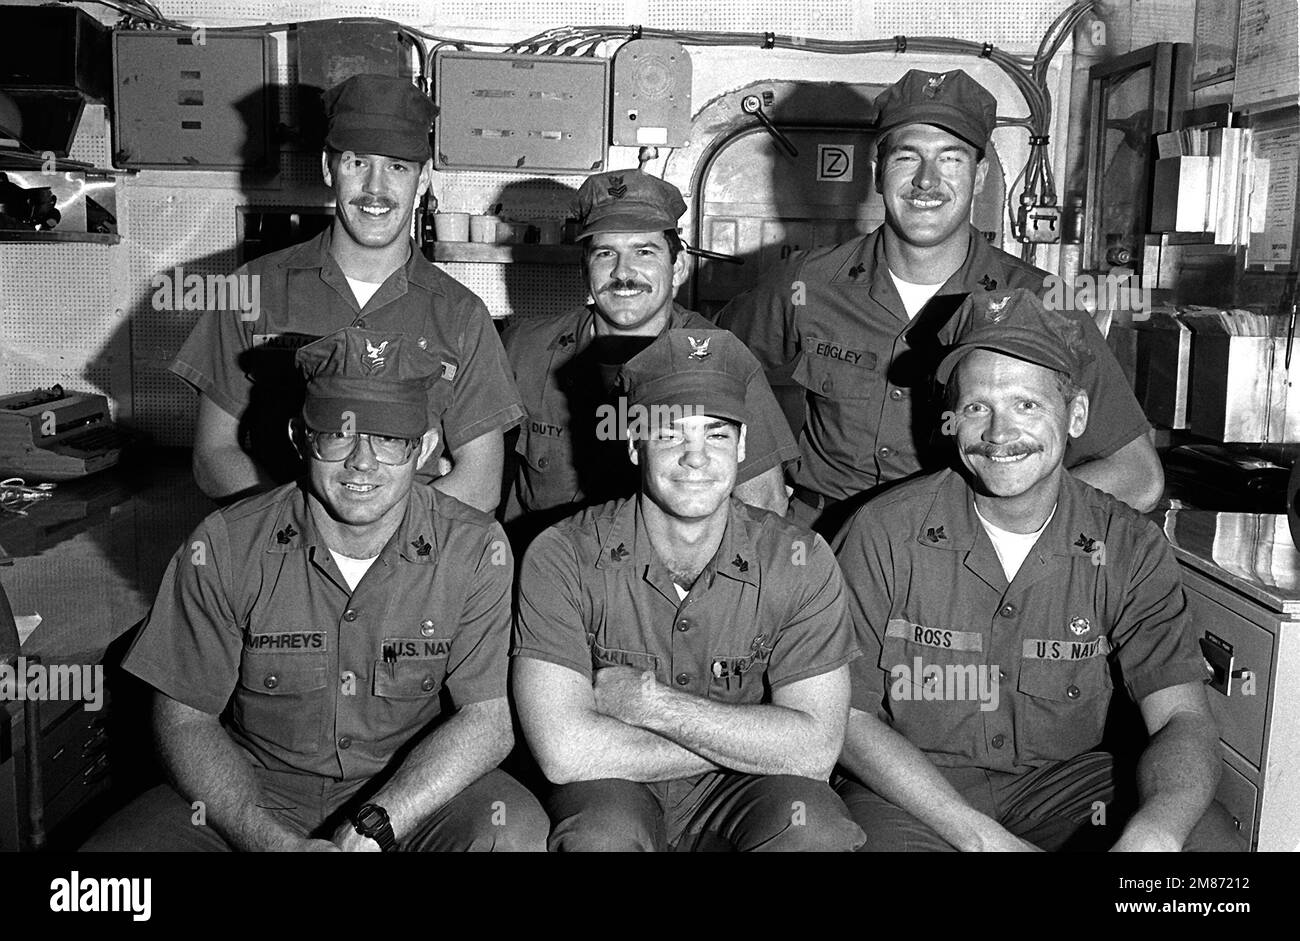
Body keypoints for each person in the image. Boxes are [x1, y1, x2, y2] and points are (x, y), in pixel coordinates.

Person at [82, 327, 547, 851]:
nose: (362, 462)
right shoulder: (226, 543)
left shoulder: (475, 548)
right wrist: (269, 841)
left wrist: (376, 824)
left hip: (411, 789)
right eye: (336, 434)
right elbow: (185, 719)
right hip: (251, 787)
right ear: (299, 437)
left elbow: (487, 717)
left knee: (512, 833)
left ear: (426, 450)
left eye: (390, 438)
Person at [833, 288, 1239, 852]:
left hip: (1067, 789)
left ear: (1075, 416)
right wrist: (980, 839)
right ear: (950, 420)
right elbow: (848, 719)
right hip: (914, 791)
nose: (999, 435)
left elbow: (1182, 720)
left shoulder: (1129, 546)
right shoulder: (882, 533)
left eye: (1027, 405)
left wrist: (1158, 829)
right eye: (977, 408)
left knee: (1208, 847)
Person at [717, 69, 1163, 535]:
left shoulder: (1042, 304)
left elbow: (1138, 477)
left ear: (980, 175)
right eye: (908, 158)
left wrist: (1001, 519)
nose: (926, 181)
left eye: (950, 160)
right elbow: (711, 361)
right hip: (821, 555)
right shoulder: (805, 285)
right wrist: (761, 488)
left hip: (957, 567)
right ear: (876, 171)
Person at [512, 328, 864, 851]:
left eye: (717, 434)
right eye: (671, 433)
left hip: (747, 793)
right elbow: (565, 751)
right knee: (600, 836)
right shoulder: (562, 554)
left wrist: (655, 707)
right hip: (615, 790)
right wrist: (762, 739)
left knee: (816, 829)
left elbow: (815, 751)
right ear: (634, 443)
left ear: (744, 445)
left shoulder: (800, 559)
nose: (696, 458)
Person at [172, 73, 522, 512]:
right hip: (280, 549)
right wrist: (313, 527)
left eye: (397, 166)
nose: (376, 188)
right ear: (328, 167)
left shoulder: (461, 315)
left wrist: (377, 538)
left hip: (412, 562)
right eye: (358, 163)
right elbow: (213, 457)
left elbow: (481, 483)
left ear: (425, 179)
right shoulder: (250, 291)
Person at [500, 170, 798, 544]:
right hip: (544, 572)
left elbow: (765, 508)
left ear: (678, 266)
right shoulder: (524, 350)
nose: (623, 273)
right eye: (606, 253)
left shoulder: (720, 358)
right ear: (584, 268)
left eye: (644, 251)